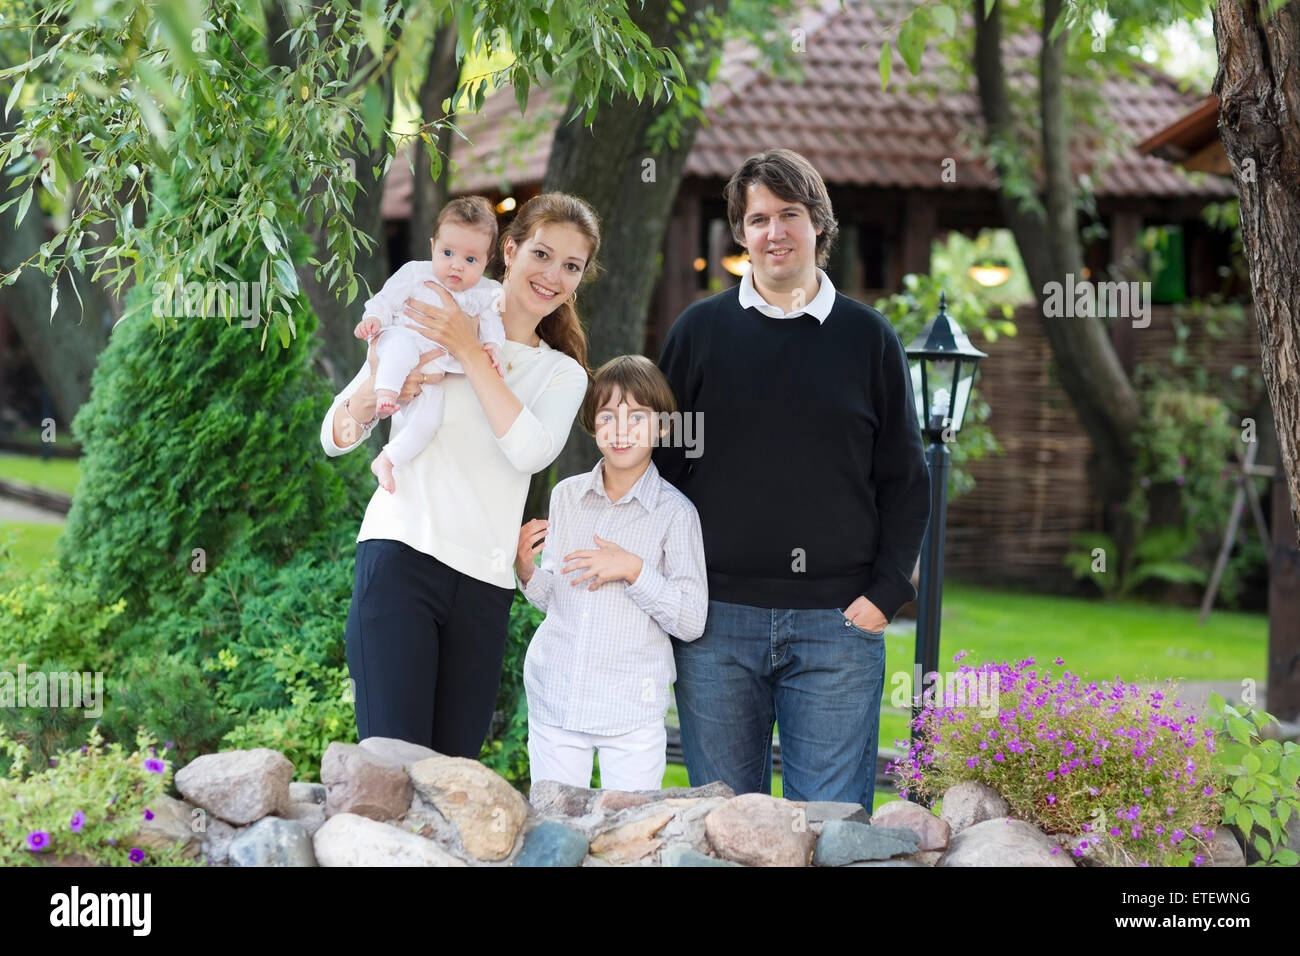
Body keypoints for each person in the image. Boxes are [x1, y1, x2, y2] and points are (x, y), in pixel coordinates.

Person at [653, 148, 931, 811]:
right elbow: (659, 472)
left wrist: (886, 592)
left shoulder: (869, 339)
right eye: (758, 219)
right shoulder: (699, 333)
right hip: (715, 623)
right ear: (741, 234)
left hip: (838, 626)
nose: (774, 231)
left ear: (818, 225)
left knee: (830, 833)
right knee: (725, 829)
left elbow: (905, 478)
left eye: (790, 214)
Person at [321, 193, 600, 758]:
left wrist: (470, 350)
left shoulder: (561, 373)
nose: (552, 276)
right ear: (510, 250)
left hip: (484, 587)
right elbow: (334, 434)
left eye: (571, 266)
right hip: (402, 556)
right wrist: (380, 393)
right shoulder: (435, 308)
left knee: (453, 785)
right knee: (391, 765)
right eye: (541, 254)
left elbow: (528, 452)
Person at [515, 355, 707, 791]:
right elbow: (555, 595)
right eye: (608, 416)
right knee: (555, 828)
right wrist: (526, 570)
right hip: (558, 695)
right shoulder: (567, 497)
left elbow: (692, 620)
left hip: (631, 712)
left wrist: (634, 570)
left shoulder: (675, 514)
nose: (621, 430)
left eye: (636, 416)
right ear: (592, 425)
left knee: (632, 836)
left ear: (662, 427)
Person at [353, 196, 507, 494]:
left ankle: (387, 459)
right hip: (402, 337)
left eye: (470, 259)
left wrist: (494, 346)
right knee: (401, 349)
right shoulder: (415, 273)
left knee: (429, 421)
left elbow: (493, 325)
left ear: (486, 261)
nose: (456, 266)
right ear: (433, 246)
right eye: (447, 252)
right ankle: (385, 392)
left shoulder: (486, 292)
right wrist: (373, 318)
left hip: (435, 373)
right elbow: (386, 300)